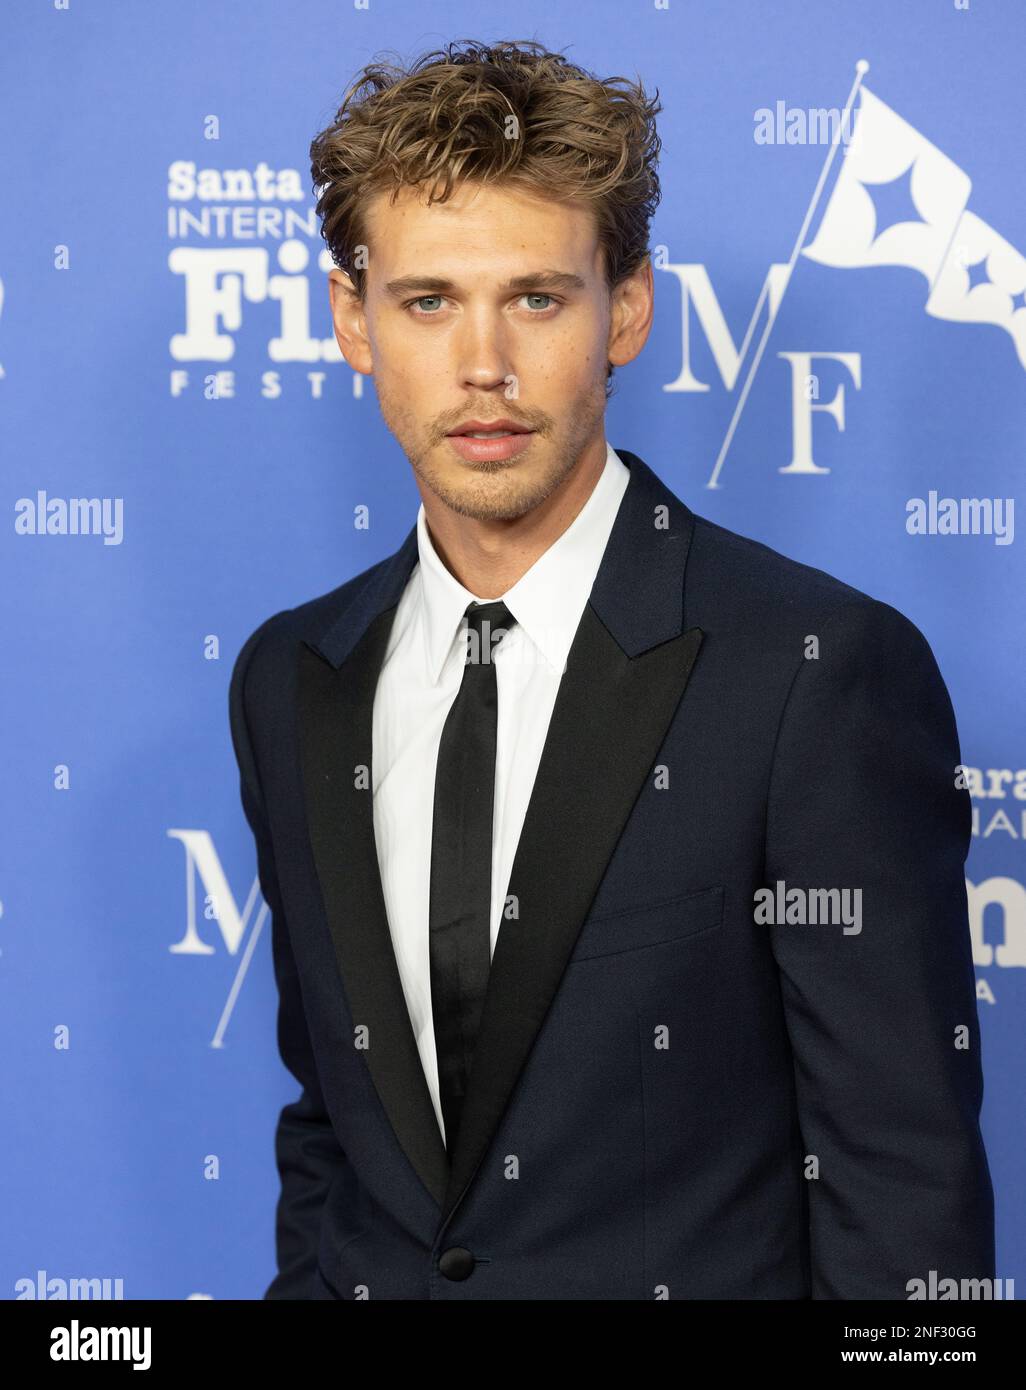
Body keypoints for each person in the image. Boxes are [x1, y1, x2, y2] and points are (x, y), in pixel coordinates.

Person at [228, 38, 994, 1300]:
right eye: (428, 301)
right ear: (351, 322)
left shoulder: (813, 672)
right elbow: (335, 1123)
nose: (484, 365)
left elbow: (902, 1184)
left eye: (536, 296)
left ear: (626, 308)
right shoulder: (291, 679)